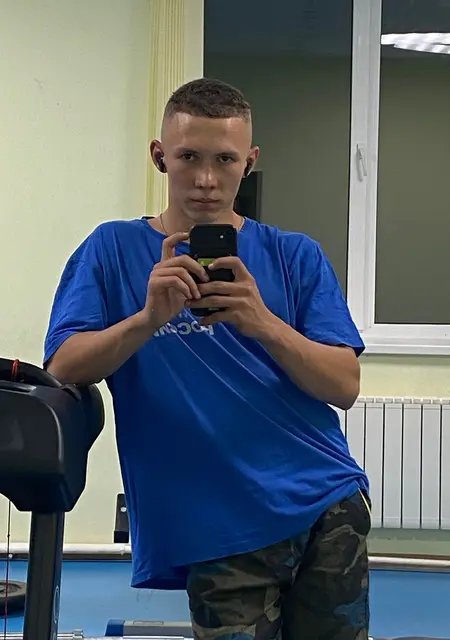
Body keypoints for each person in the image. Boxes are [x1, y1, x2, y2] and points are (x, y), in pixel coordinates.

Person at [44, 78, 371, 640]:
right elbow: (64, 367)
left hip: (327, 502)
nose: (205, 179)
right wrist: (147, 318)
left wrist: (262, 322)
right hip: (218, 520)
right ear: (159, 156)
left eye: (225, 160)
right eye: (188, 157)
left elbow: (344, 385)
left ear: (250, 162)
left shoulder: (294, 255)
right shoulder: (112, 249)